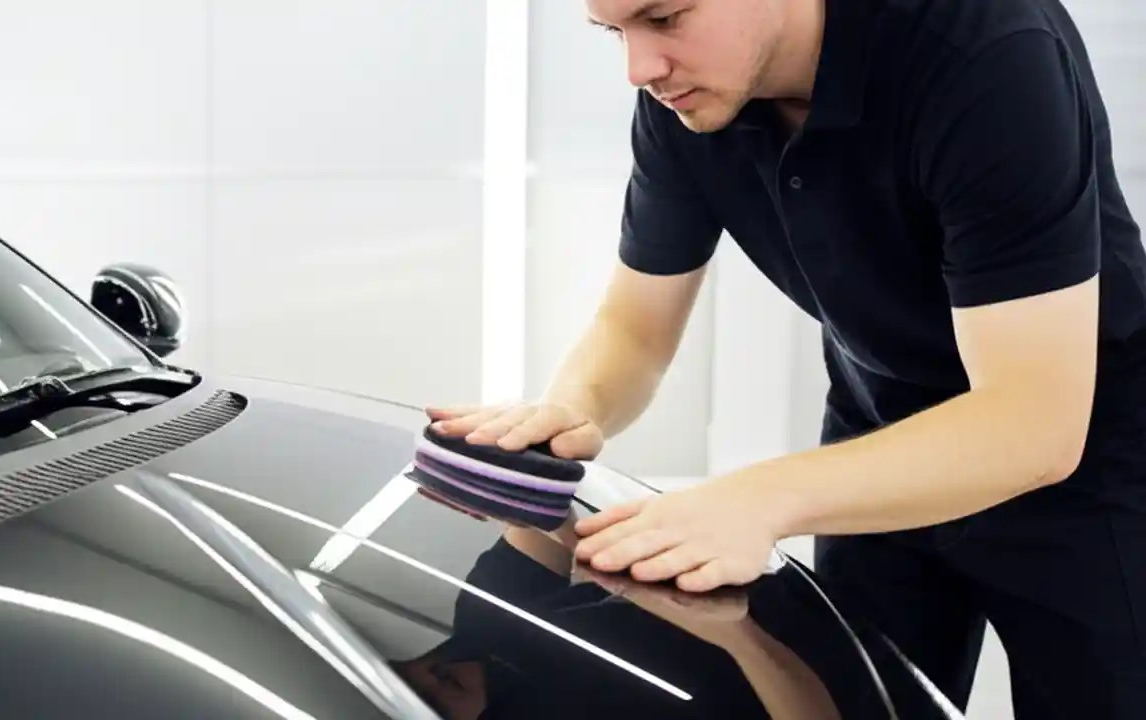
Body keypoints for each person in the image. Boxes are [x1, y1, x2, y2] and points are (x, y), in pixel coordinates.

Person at [426, 0, 1146, 716]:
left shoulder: (987, 47)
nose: (639, 68)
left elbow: (1034, 426)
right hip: (878, 428)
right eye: (616, 31)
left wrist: (757, 499)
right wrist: (571, 411)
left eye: (666, 17)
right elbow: (635, 328)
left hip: (1089, 459)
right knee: (853, 700)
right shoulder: (689, 96)